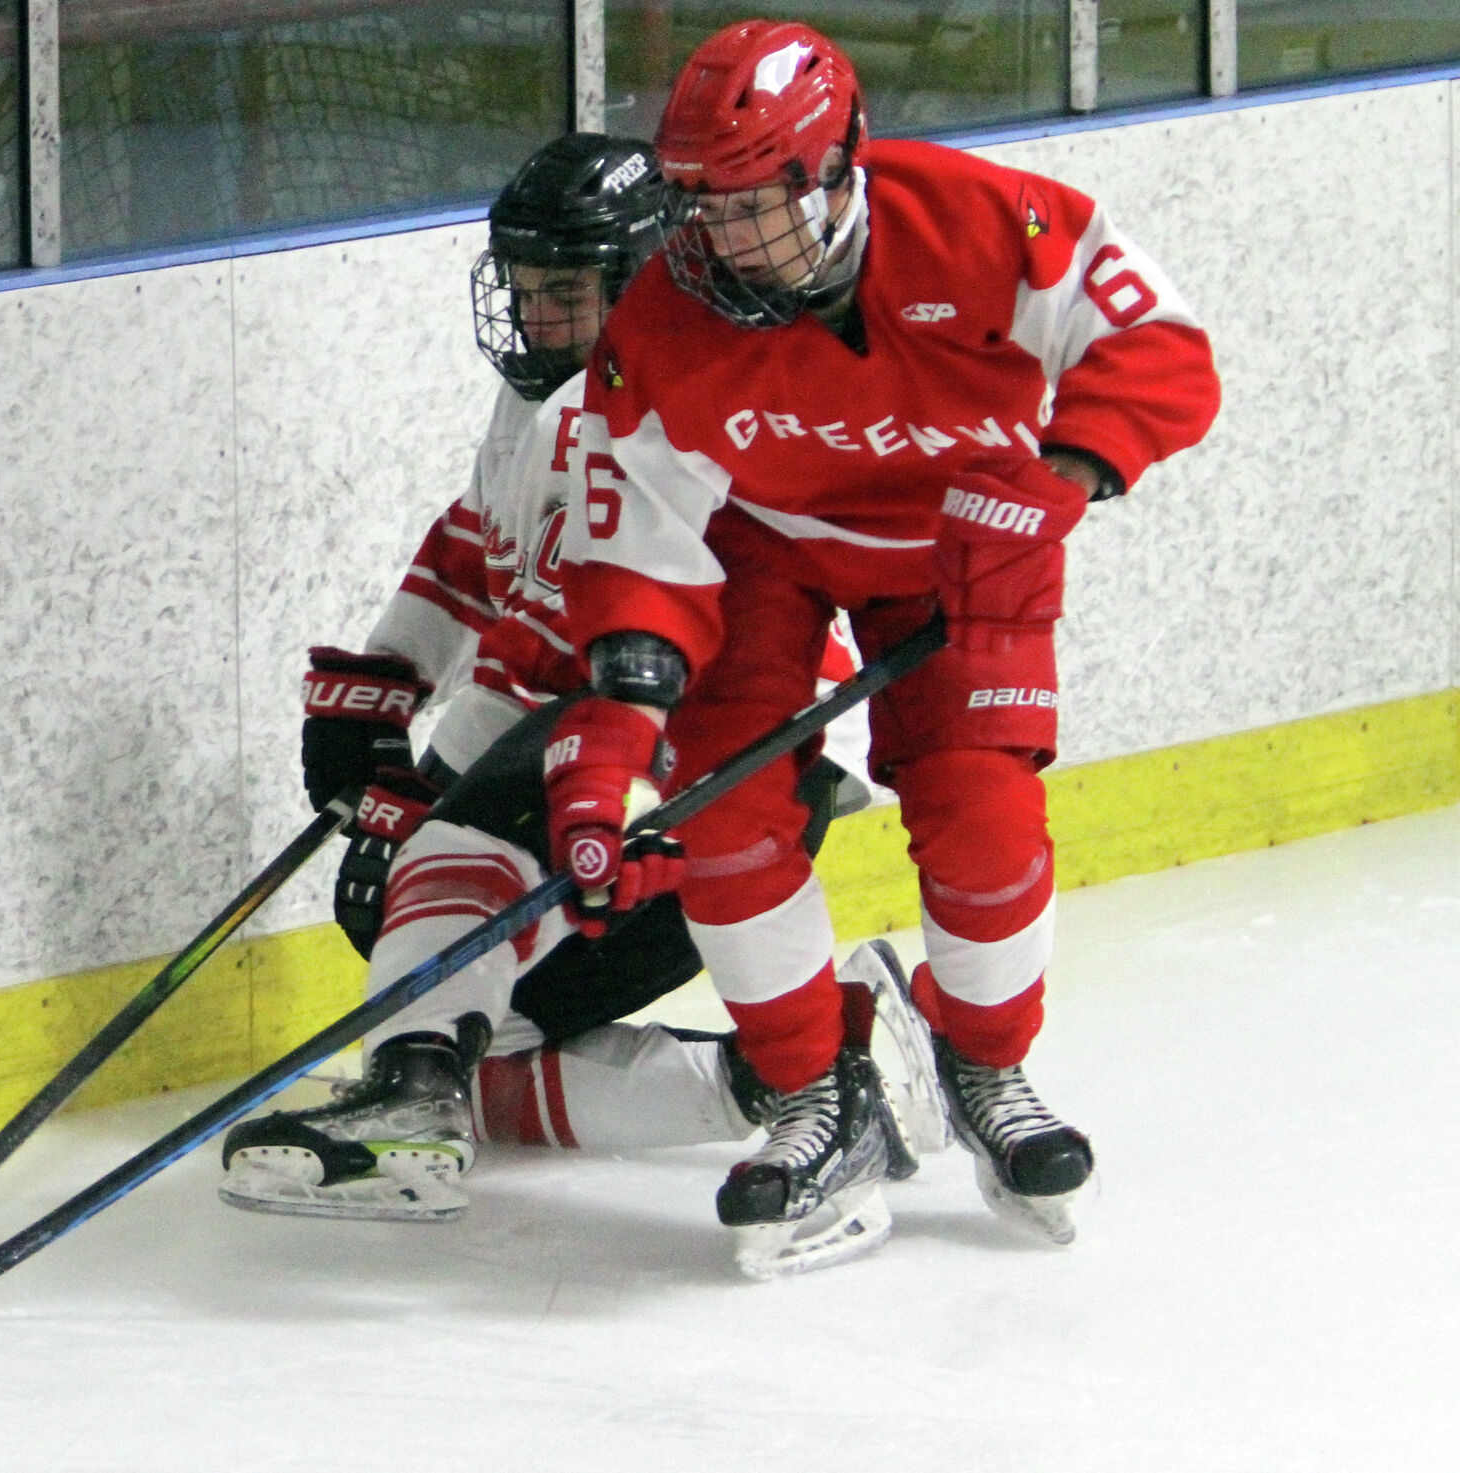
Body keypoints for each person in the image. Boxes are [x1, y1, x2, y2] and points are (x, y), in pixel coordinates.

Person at [550, 21, 1220, 1275]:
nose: (716, 238)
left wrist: (1061, 475)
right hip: (766, 551)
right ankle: (816, 1095)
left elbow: (1160, 351)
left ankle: (982, 1065)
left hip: (971, 538)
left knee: (983, 823)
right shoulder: (662, 320)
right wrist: (613, 741)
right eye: (697, 206)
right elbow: (632, 544)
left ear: (835, 168)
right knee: (727, 819)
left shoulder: (992, 221)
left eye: (750, 207)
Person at [217, 133, 910, 1223]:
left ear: (640, 280)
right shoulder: (551, 394)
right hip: (640, 750)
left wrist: (435, 784)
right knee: (479, 1029)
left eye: (566, 294)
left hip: (708, 766)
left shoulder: (636, 402)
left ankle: (409, 1093)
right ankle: (817, 1068)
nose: (536, 320)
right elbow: (482, 548)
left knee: (448, 865)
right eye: (525, 291)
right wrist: (385, 683)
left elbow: (562, 641)